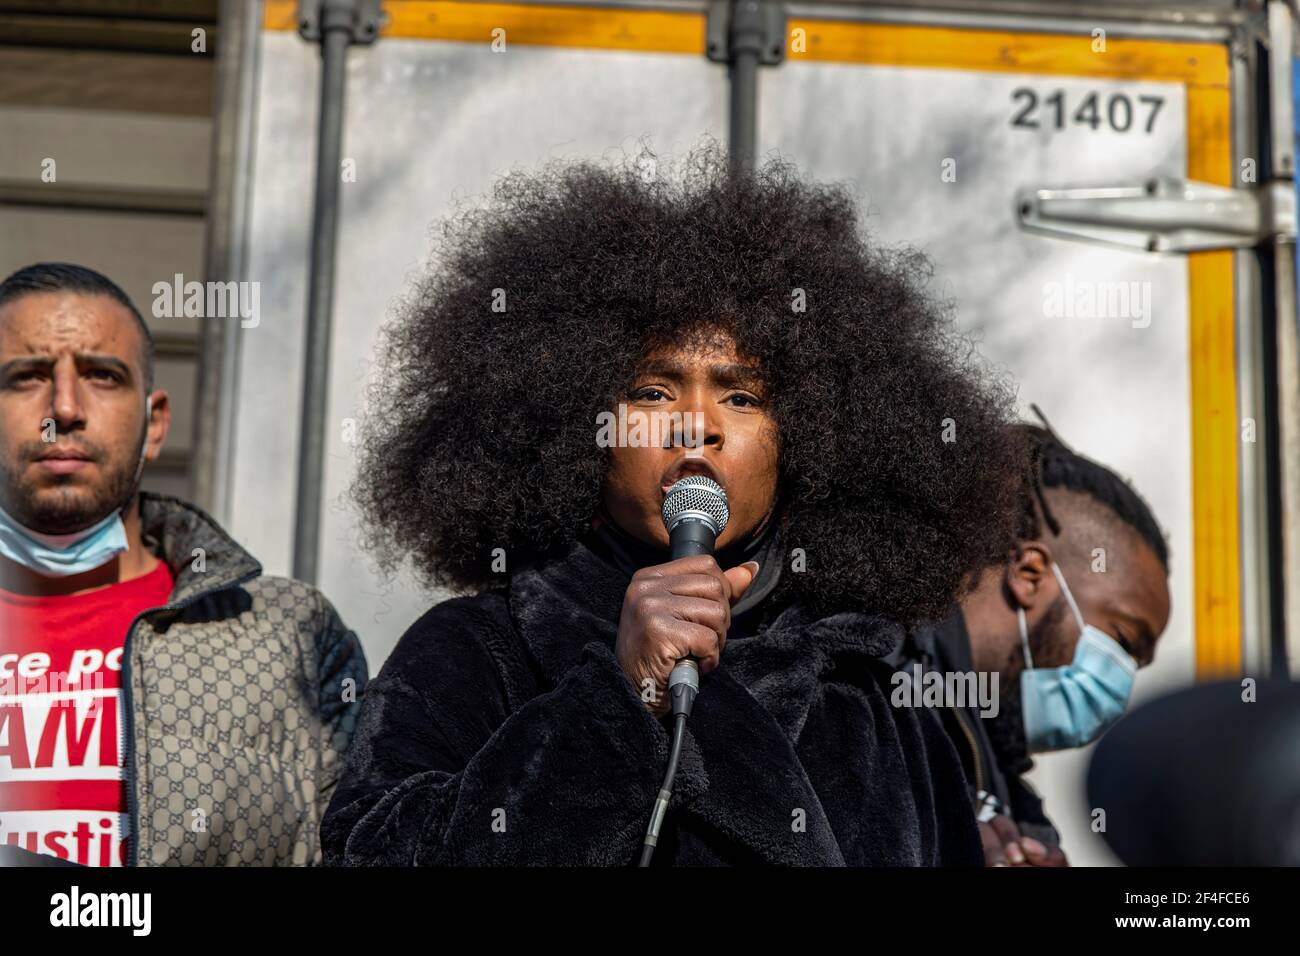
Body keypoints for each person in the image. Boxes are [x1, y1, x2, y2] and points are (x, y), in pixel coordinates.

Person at [322, 144, 1028, 866]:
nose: (697, 424)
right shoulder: (473, 650)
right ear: (575, 427)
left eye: (742, 396)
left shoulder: (870, 692)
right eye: (653, 393)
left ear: (811, 438)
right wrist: (619, 705)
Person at [0, 263, 367, 866]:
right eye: (27, 376)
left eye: (101, 375)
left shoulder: (291, 635)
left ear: (154, 425)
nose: (63, 408)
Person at [889, 422, 1171, 866]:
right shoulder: (861, 677)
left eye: (1137, 662)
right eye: (1122, 639)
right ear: (1030, 574)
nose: (1121, 679)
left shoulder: (1007, 785)